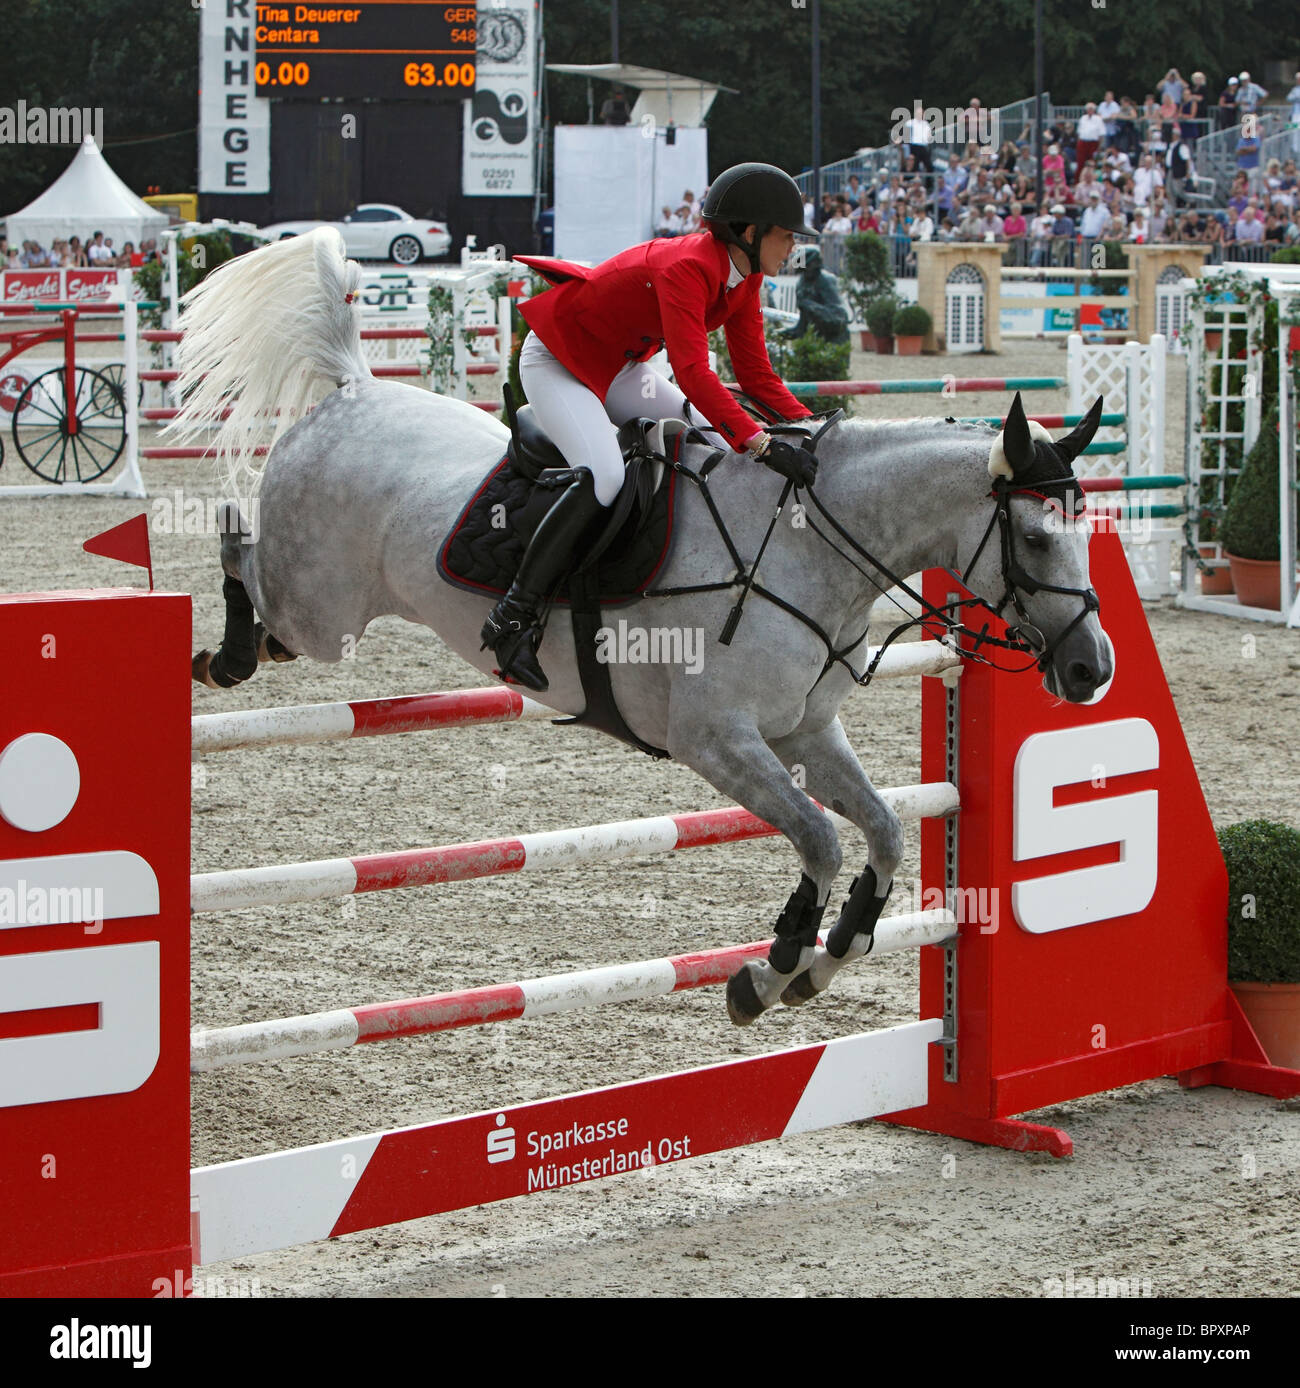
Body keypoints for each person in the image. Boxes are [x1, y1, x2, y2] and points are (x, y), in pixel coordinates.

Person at [483, 163, 817, 692]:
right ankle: (513, 614)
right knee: (605, 476)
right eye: (786, 236)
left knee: (707, 441)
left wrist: (810, 427)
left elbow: (755, 374)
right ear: (750, 233)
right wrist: (759, 442)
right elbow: (692, 373)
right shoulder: (688, 265)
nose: (792, 247)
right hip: (559, 360)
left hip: (618, 367)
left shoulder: (745, 276)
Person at [782, 247, 849, 342]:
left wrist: (809, 305)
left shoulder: (826, 281)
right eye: (802, 271)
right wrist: (786, 333)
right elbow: (803, 324)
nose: (805, 274)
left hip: (834, 339)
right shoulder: (802, 284)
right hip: (815, 339)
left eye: (807, 268)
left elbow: (838, 318)